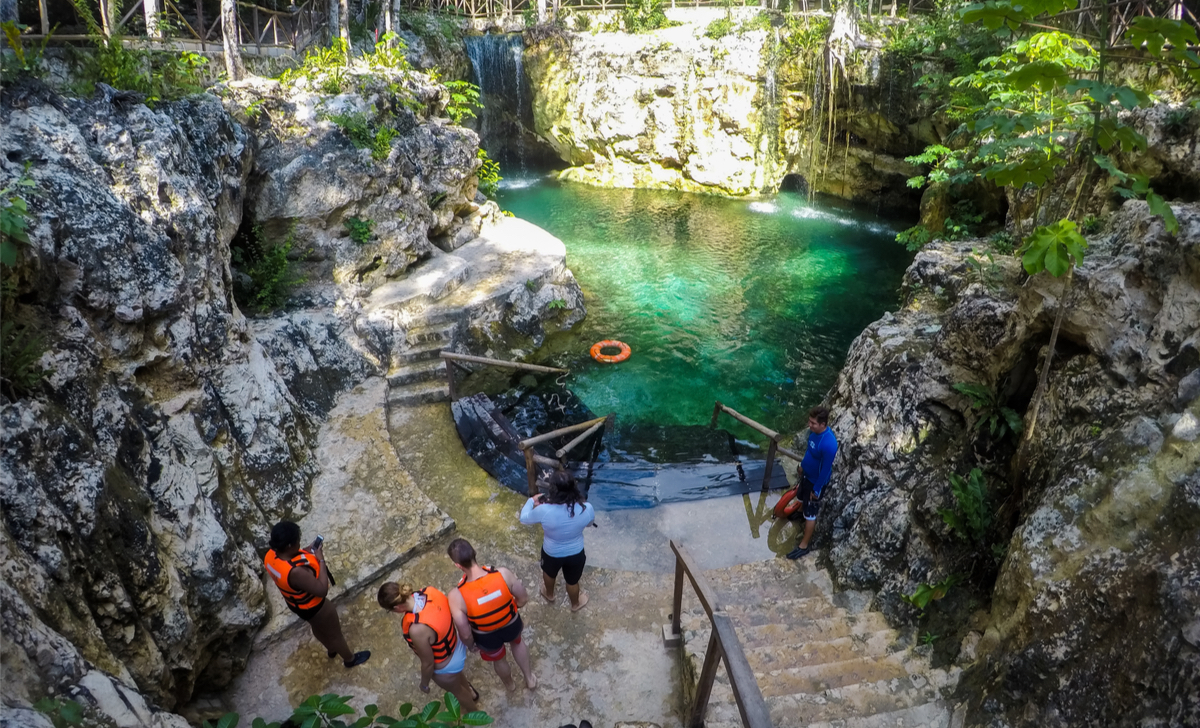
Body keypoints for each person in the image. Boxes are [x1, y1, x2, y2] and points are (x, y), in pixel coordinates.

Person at [263, 521, 371, 668]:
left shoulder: (270, 556)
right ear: (289, 545)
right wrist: (320, 559)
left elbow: (289, 561)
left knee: (317, 626)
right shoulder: (295, 572)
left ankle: (331, 649)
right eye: (297, 541)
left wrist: (306, 552)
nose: (299, 543)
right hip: (315, 607)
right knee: (335, 634)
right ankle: (349, 659)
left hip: (296, 605)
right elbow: (321, 590)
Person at [446, 538, 537, 690]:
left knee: (499, 660)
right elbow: (523, 598)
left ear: (458, 565)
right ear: (474, 553)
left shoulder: (456, 596)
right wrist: (508, 610)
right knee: (518, 643)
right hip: (511, 624)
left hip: (486, 636)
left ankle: (510, 685)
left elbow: (465, 633)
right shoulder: (503, 574)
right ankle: (529, 679)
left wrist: (471, 645)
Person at [377, 582, 478, 711]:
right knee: (456, 676)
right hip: (457, 643)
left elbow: (428, 663)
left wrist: (424, 684)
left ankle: (475, 713)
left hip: (447, 665)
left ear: (396, 607)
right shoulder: (430, 591)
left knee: (457, 691)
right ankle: (471, 692)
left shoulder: (417, 629)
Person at [519, 470, 595, 611]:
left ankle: (549, 594)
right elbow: (589, 524)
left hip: (551, 552)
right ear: (574, 487)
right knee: (572, 581)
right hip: (576, 553)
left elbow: (524, 518)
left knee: (549, 573)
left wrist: (531, 501)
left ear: (552, 489)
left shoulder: (544, 510)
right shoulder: (587, 508)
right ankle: (575, 604)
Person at [787, 406, 839, 560]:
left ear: (823, 424)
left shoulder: (829, 443)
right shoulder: (813, 433)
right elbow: (809, 451)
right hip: (806, 475)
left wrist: (816, 489)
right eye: (809, 421)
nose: (809, 425)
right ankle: (799, 513)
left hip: (815, 482)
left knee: (811, 514)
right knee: (801, 496)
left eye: (813, 423)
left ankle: (803, 546)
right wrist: (802, 466)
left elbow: (825, 470)